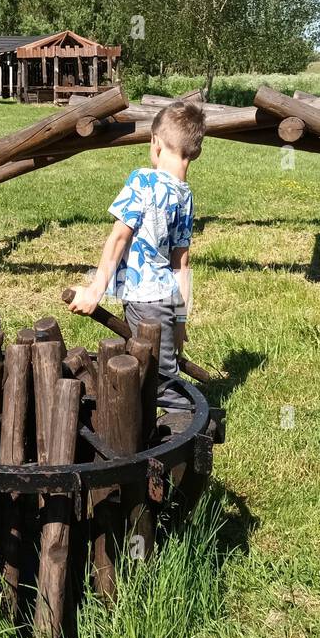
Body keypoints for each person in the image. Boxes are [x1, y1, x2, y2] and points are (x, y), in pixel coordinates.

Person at [68, 100, 205, 410]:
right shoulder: (186, 195)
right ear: (194, 151)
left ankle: (189, 426)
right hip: (169, 301)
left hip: (144, 301)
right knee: (157, 368)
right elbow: (182, 263)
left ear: (154, 142)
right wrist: (181, 321)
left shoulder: (142, 180)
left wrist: (94, 292)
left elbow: (118, 238)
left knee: (158, 381)